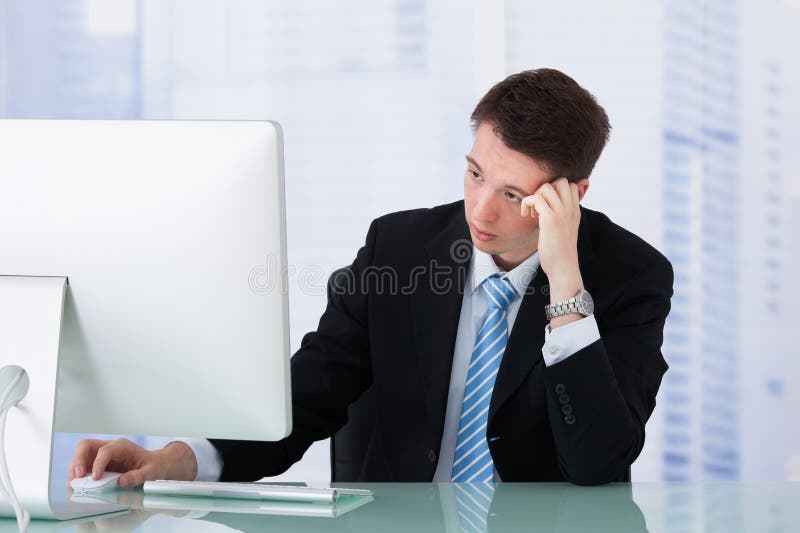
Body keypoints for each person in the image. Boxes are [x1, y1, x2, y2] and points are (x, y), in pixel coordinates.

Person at [68, 68, 673, 487]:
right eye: (474, 174)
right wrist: (176, 459)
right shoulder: (399, 249)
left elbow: (597, 462)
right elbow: (311, 390)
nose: (481, 211)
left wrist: (566, 285)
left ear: (572, 194)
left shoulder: (630, 276)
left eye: (512, 194)